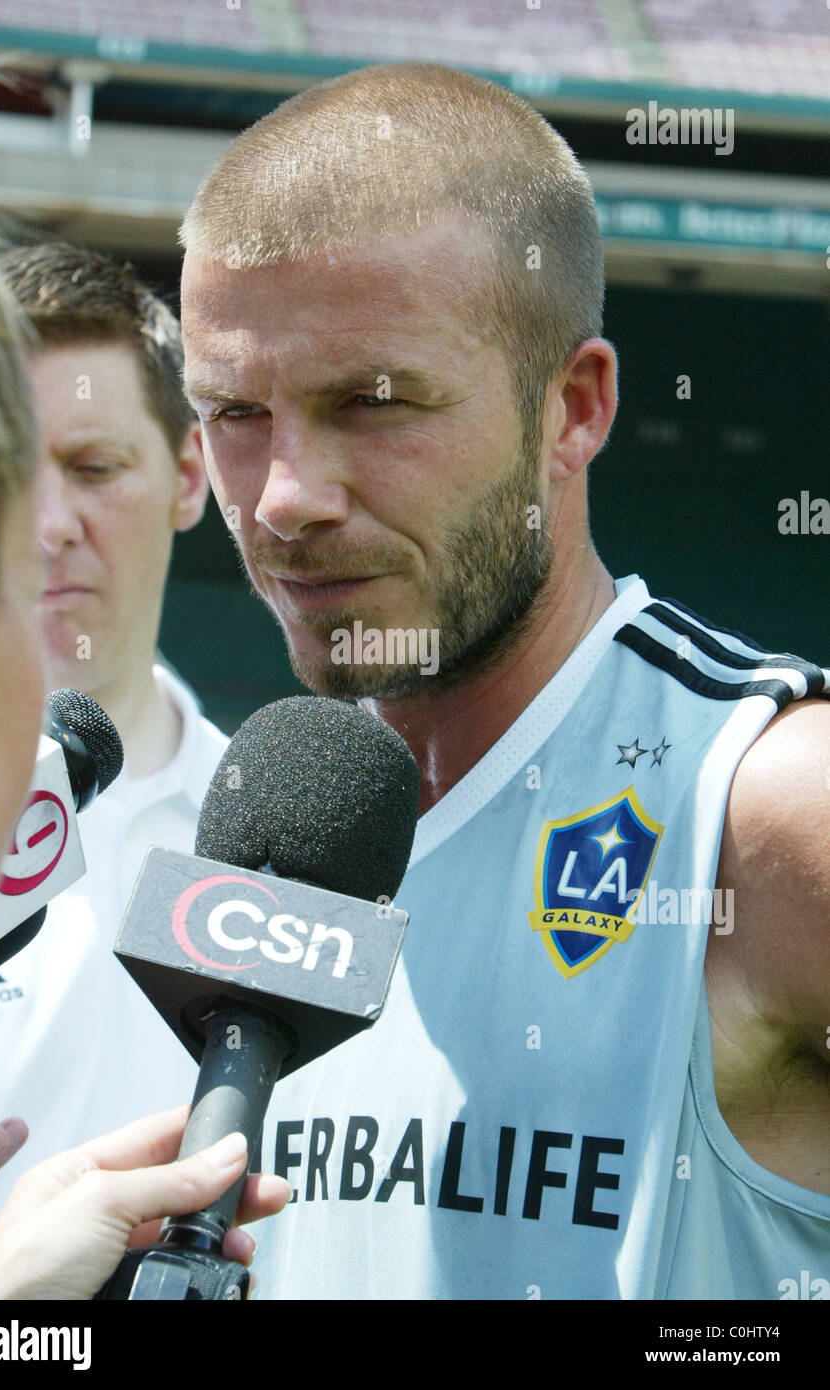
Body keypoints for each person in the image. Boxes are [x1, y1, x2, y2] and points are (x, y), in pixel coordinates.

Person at [177, 60, 830, 1299]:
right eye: (233, 413)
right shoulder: (277, 835)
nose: (283, 496)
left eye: (373, 402)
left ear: (571, 410)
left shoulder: (768, 810)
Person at [0, 199, 290, 1298]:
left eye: (93, 468)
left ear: (191, 476)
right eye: (7, 478)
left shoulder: (287, 849)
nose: (47, 525)